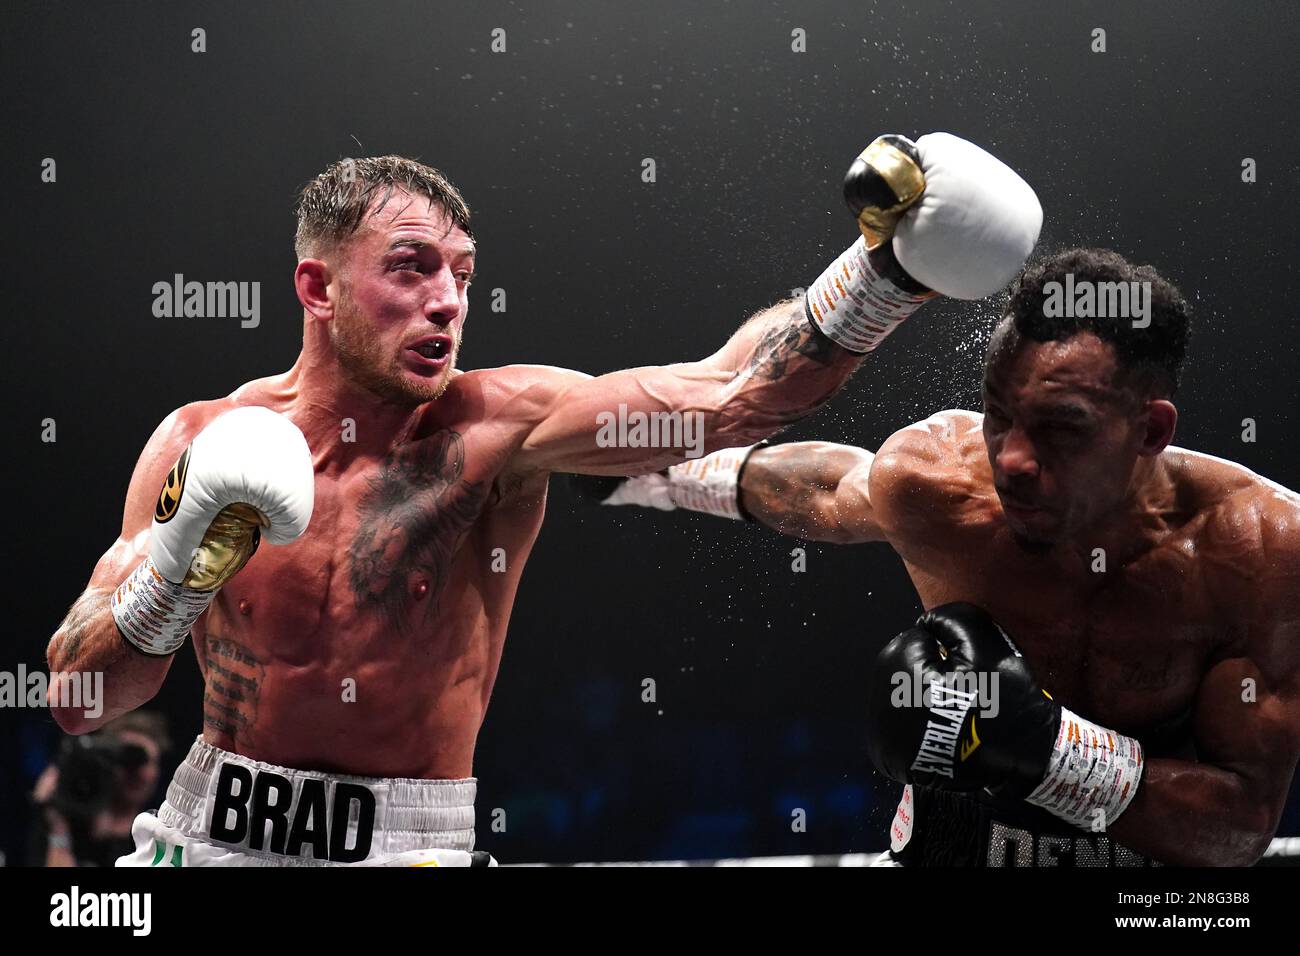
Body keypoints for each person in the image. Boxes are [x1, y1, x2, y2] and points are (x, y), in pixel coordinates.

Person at [45, 134, 1040, 866]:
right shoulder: (196, 437)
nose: (448, 298)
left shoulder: (500, 431)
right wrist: (178, 571)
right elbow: (82, 697)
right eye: (412, 267)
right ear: (317, 286)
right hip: (200, 837)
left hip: (408, 848)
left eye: (464, 275)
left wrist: (885, 267)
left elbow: (733, 394)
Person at [589, 247, 1300, 866]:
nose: (1013, 460)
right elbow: (827, 488)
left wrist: (1045, 747)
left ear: (1150, 430)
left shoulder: (1261, 553)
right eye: (998, 415)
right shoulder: (941, 485)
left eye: (1060, 428)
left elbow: (1240, 831)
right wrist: (642, 472)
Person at [30, 711, 170, 867]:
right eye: (125, 758)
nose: (134, 772)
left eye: (141, 760)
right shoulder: (65, 827)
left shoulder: (161, 844)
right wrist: (56, 818)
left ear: (157, 770)